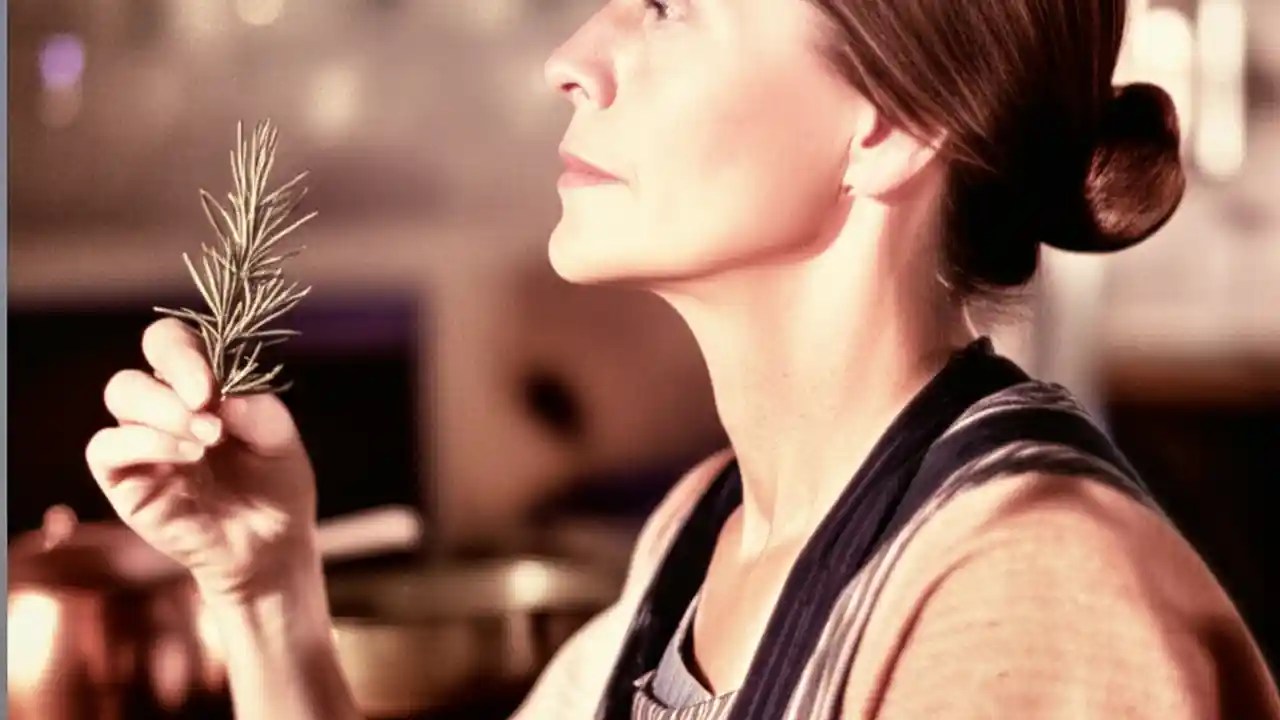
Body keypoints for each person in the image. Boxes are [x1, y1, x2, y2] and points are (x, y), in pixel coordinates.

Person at [84, 0, 1280, 718]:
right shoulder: (700, 540)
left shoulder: (1032, 597)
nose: (571, 54)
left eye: (666, 0)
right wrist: (263, 592)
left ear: (889, 123)